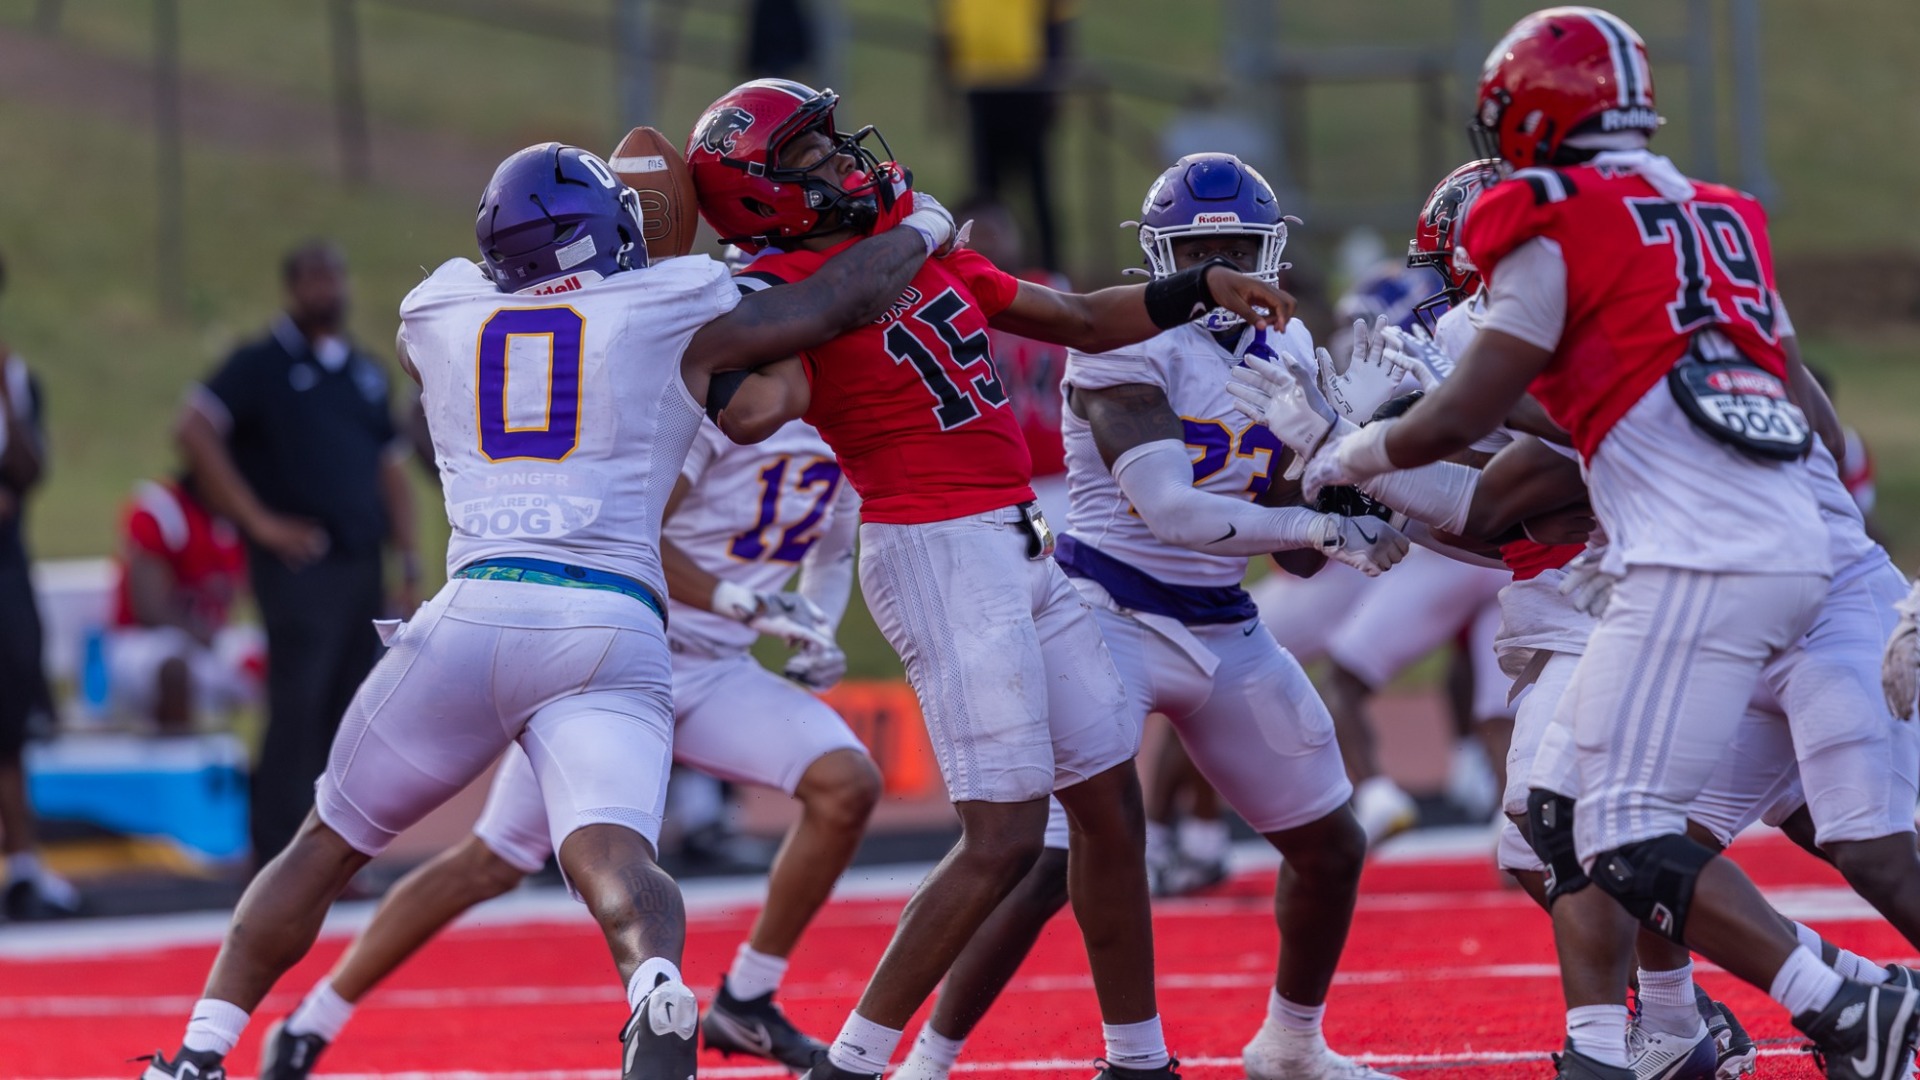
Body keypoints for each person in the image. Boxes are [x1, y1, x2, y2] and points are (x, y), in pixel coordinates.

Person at [135, 140, 960, 1080]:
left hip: (471, 613)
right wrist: (925, 226)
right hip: (609, 626)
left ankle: (199, 1054)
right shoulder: (671, 300)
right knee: (614, 852)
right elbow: (818, 309)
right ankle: (654, 982)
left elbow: (530, 319)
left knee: (326, 843)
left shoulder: (437, 307)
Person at [1235, 10, 1920, 1079]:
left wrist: (1354, 448)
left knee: (1608, 830)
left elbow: (1474, 437)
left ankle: (1833, 1003)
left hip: (1703, 562)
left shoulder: (1549, 224)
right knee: (1589, 823)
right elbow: (1813, 424)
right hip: (1770, 547)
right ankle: (1706, 1025)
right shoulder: (1724, 218)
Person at [685, 79, 1293, 1080]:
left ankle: (1138, 1061)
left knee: (1107, 809)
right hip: (936, 552)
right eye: (810, 156)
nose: (842, 161)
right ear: (762, 196)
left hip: (1018, 542)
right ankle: (852, 1065)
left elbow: (1082, 321)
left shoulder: (907, 242)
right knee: (1003, 835)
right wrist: (913, 240)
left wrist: (1195, 289)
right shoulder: (780, 284)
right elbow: (753, 386)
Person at [889, 152, 1408, 1080]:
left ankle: (1290, 1043)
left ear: (1269, 250)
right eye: (1201, 251)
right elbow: (1170, 510)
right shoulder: (1123, 342)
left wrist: (1342, 480)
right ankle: (945, 1058)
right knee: (1053, 855)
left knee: (1331, 845)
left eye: (1238, 247)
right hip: (1106, 611)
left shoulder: (1286, 350)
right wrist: (1314, 526)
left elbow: (1289, 550)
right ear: (1162, 256)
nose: (1223, 268)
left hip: (1223, 622)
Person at [259, 415, 874, 1078]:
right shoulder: (717, 413)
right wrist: (740, 601)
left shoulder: (849, 421)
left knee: (847, 783)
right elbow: (638, 533)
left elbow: (833, 552)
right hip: (621, 664)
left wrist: (819, 629)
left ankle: (748, 998)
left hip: (715, 669)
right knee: (491, 862)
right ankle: (310, 1023)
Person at [174, 241, 419, 867]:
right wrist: (259, 521)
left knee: (352, 711)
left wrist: (410, 559)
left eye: (332, 276)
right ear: (292, 288)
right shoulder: (261, 364)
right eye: (312, 279)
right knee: (298, 705)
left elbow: (390, 468)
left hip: (361, 562)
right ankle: (277, 852)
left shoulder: (362, 371)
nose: (325, 290)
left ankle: (336, 857)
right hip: (299, 565)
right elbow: (194, 428)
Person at [0, 254, 78, 920]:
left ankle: (24, 861)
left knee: (11, 706)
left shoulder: (18, 378)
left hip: (4, 564)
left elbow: (28, 473)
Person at [105, 475, 261, 731]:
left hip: (210, 642)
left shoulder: (237, 518)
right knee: (174, 666)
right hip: (141, 644)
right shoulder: (162, 511)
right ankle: (175, 763)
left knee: (288, 658)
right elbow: (150, 610)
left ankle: (285, 765)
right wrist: (215, 640)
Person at [958, 197, 1072, 520]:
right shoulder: (951, 305)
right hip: (993, 487)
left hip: (1061, 474)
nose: (994, 241)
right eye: (980, 234)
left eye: (1000, 231)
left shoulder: (1053, 289)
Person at [936, 0, 1069, 271]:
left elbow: (1057, 19)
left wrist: (1054, 80)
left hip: (1027, 82)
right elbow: (949, 27)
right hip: (979, 82)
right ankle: (986, 268)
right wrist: (945, 86)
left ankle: (1051, 270)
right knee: (985, 190)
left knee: (1037, 187)